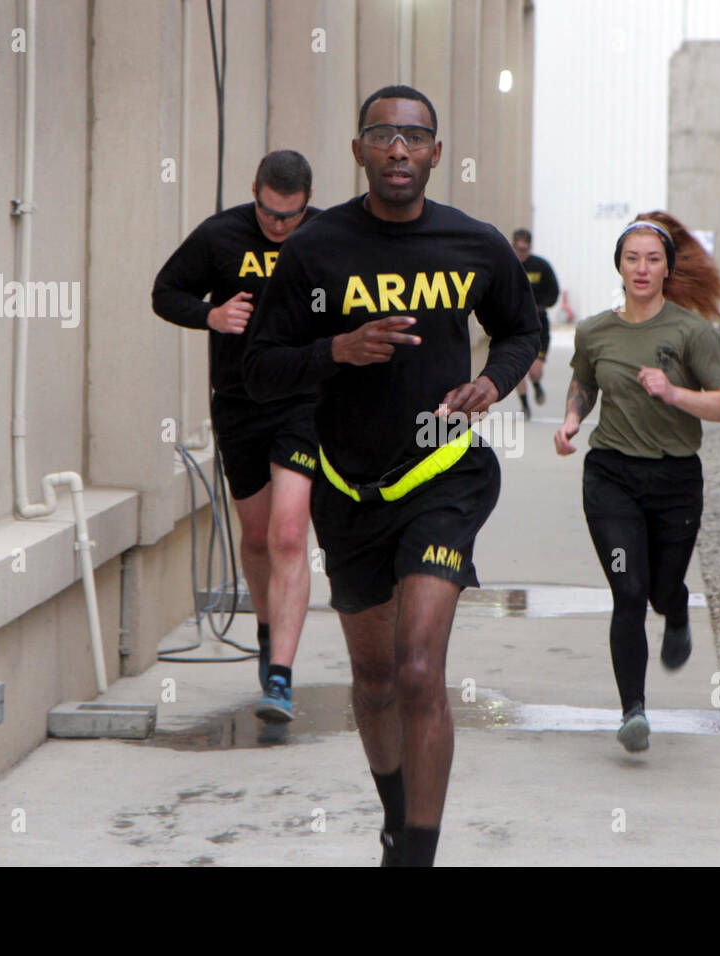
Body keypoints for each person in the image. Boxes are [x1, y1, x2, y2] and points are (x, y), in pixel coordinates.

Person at [244, 85, 538, 865]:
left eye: (414, 138)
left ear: (437, 152)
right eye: (383, 135)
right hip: (350, 488)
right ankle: (395, 817)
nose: (399, 150)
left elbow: (522, 327)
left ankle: (418, 853)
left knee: (416, 667)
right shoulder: (316, 250)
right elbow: (260, 368)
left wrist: (494, 383)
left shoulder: (472, 245)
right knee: (373, 679)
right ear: (359, 150)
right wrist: (334, 351)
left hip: (443, 478)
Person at [554, 212, 720, 753]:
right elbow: (583, 384)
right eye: (632, 258)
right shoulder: (594, 331)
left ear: (666, 268)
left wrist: (675, 393)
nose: (641, 268)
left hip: (675, 477)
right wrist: (570, 421)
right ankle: (633, 709)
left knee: (660, 590)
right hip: (611, 474)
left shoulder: (691, 332)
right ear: (620, 264)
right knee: (628, 591)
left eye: (652, 259)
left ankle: (676, 610)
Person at [152, 150, 320, 724]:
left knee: (290, 533)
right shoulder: (219, 235)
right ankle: (268, 630)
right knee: (256, 537)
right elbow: (164, 292)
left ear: (306, 203)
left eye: (289, 216)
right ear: (255, 193)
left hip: (302, 401)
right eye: (269, 214)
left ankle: (281, 675)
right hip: (239, 404)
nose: (278, 227)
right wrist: (211, 316)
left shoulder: (325, 235)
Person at [510, 228, 559, 419]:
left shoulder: (541, 267)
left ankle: (537, 385)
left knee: (534, 370)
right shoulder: (506, 265)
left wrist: (542, 305)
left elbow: (553, 292)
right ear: (513, 246)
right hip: (513, 326)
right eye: (518, 249)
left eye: (525, 249)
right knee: (517, 369)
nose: (521, 253)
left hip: (538, 326)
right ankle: (525, 406)